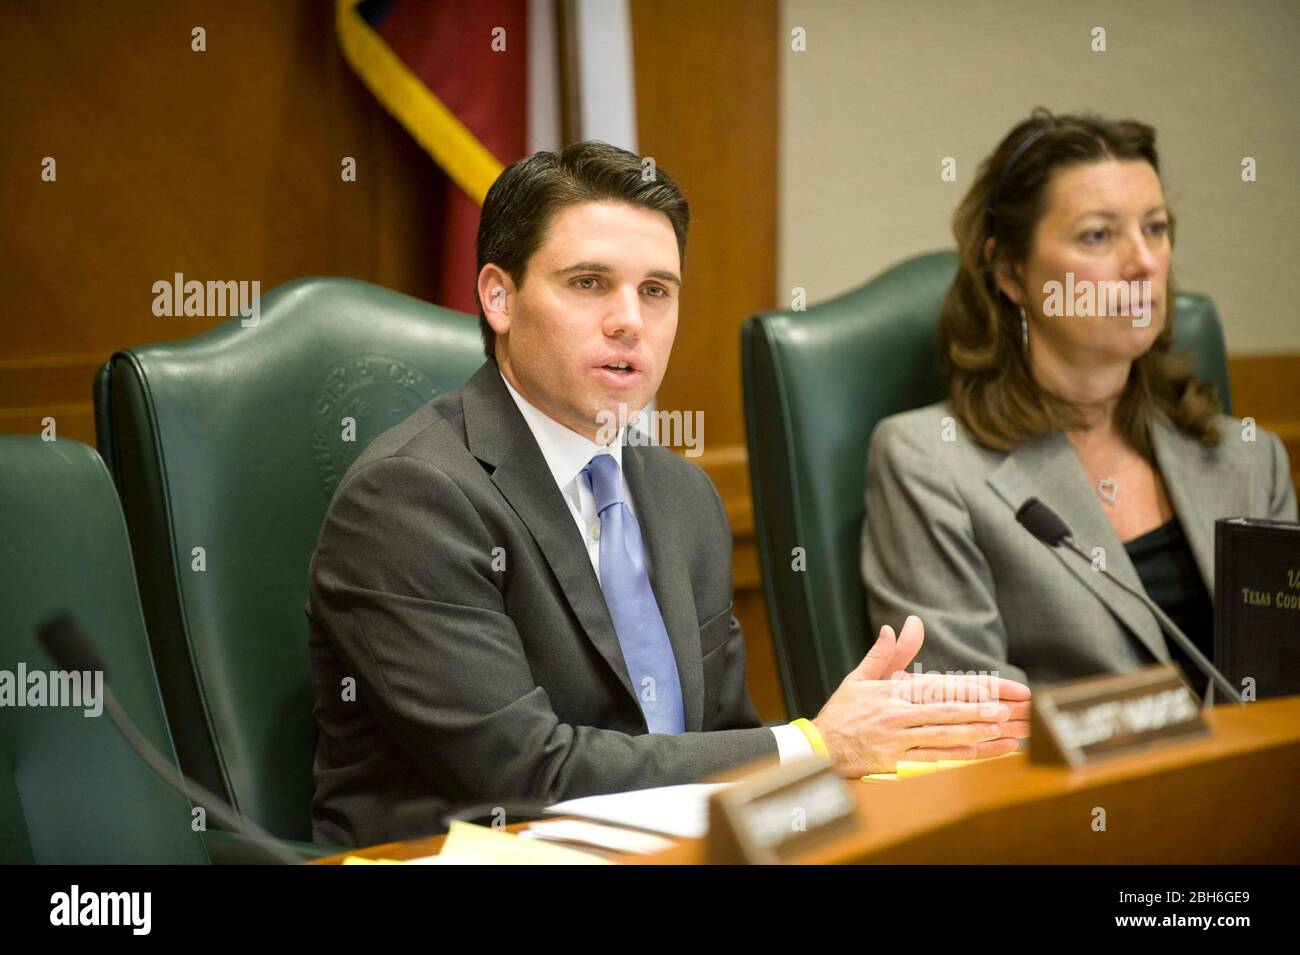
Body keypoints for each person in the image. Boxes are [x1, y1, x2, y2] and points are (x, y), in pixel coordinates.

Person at [308, 141, 1029, 847]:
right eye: (589, 283)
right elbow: (525, 772)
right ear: (499, 296)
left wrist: (863, 759)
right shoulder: (412, 496)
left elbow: (720, 747)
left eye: (656, 290)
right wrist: (813, 744)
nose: (630, 320)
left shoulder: (683, 496)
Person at [862, 109, 1297, 694]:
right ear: (1010, 271)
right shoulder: (929, 463)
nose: (1143, 262)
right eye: (1098, 235)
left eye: (1156, 228)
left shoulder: (1250, 459)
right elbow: (968, 718)